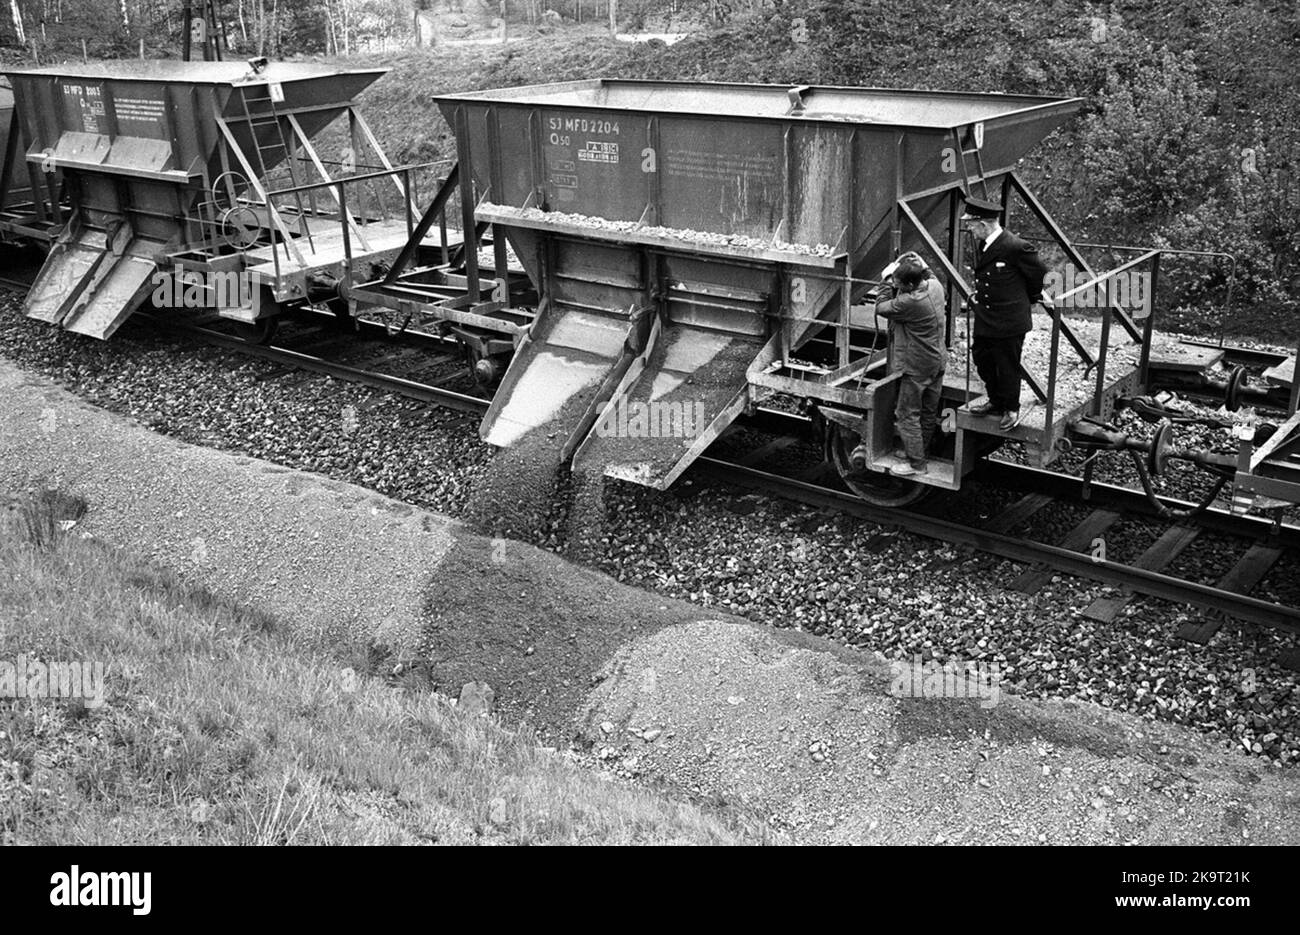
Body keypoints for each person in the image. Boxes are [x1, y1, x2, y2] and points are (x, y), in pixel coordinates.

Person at [961, 197, 1052, 431]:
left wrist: (1028, 299)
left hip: (1009, 320)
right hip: (987, 317)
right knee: (982, 358)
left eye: (971, 225)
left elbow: (1040, 275)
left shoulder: (1015, 246)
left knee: (1007, 364)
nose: (969, 229)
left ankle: (1011, 409)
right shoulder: (986, 244)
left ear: (984, 224)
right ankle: (996, 400)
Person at [869, 251, 947, 476]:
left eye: (899, 283)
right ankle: (920, 451)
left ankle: (916, 464)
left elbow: (881, 308)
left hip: (918, 365)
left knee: (907, 413)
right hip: (937, 360)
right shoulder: (935, 286)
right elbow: (929, 273)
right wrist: (922, 265)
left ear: (911, 285)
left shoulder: (910, 302)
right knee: (928, 411)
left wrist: (884, 281)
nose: (897, 285)